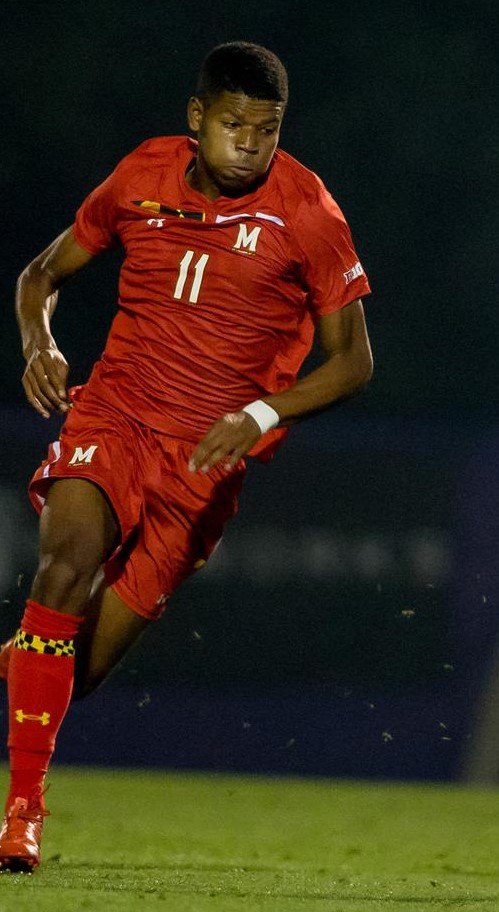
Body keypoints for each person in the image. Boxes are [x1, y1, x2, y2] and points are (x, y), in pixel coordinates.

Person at [0, 42, 375, 874]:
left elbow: (353, 363)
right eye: (234, 124)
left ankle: (28, 661)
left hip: (204, 463)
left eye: (267, 129)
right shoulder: (142, 174)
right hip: (116, 413)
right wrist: (40, 341)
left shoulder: (307, 211)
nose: (249, 143)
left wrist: (264, 408)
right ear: (196, 118)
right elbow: (40, 273)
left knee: (73, 668)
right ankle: (21, 815)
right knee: (62, 568)